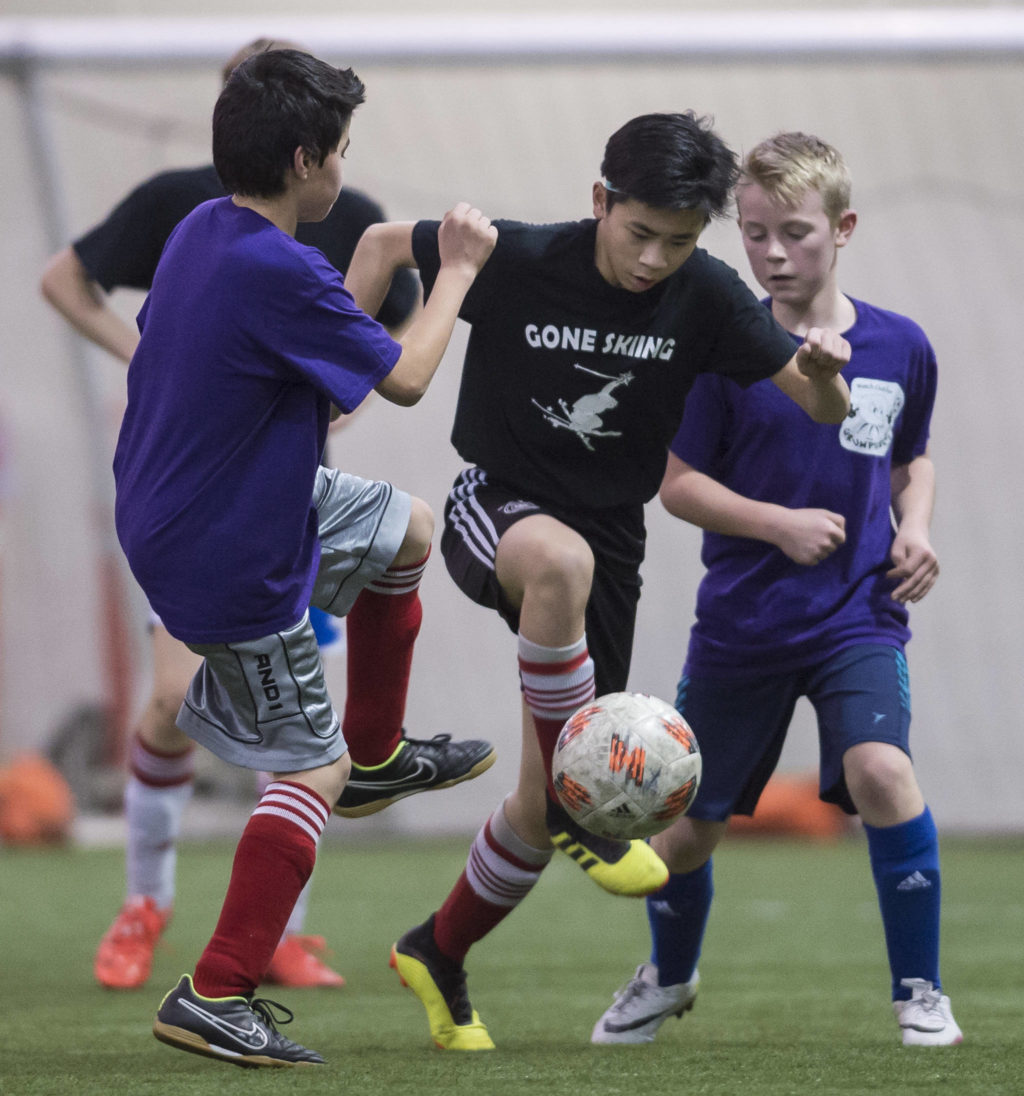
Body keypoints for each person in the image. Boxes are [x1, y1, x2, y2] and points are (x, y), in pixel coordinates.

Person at [344, 111, 851, 1050]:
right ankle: (591, 822)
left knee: (535, 812)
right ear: (599, 202)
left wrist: (827, 376)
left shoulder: (704, 292)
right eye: (639, 233)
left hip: (613, 545)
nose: (656, 259)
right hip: (496, 503)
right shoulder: (523, 255)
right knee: (558, 568)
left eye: (679, 241)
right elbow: (378, 244)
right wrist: (328, 381)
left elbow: (822, 407)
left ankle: (437, 952)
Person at [40, 37, 492, 993]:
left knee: (410, 527)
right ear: (304, 161)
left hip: (220, 497)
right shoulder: (275, 270)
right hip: (226, 545)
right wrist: (456, 270)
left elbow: (313, 373)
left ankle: (373, 749)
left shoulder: (208, 227)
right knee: (304, 774)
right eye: (339, 148)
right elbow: (406, 378)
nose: (344, 166)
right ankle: (217, 989)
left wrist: (371, 267)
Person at [591, 132, 961, 1048]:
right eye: (754, 234)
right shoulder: (723, 351)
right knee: (686, 832)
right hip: (741, 627)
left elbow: (911, 458)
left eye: (794, 233)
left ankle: (921, 991)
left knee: (883, 772)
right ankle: (668, 978)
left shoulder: (901, 346)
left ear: (843, 228)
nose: (772, 254)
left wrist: (915, 527)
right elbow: (678, 484)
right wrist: (776, 523)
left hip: (858, 618)